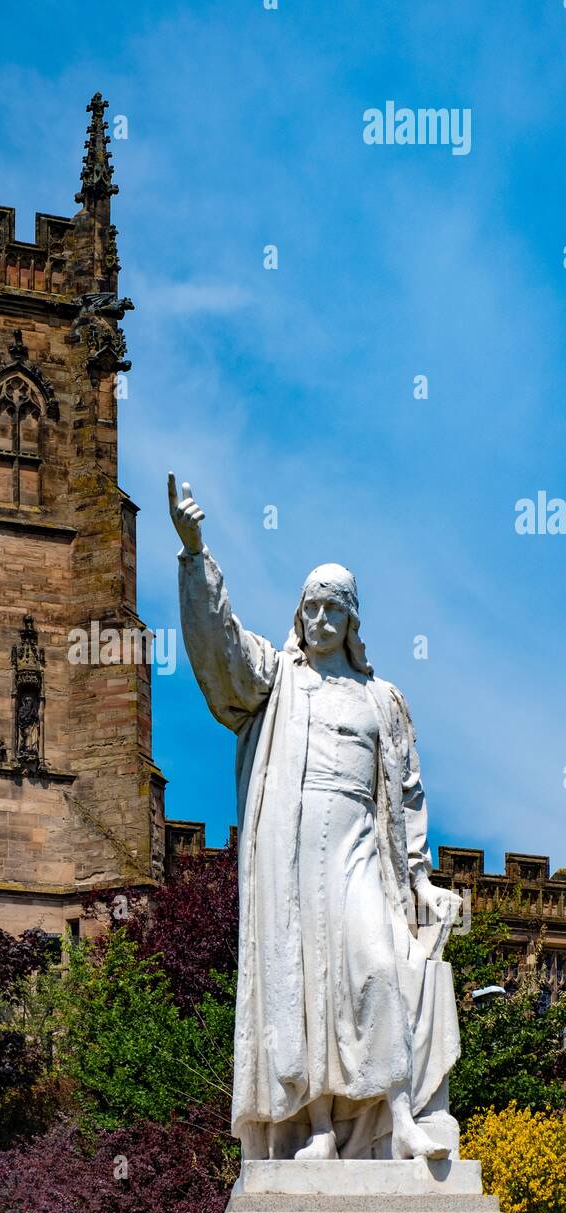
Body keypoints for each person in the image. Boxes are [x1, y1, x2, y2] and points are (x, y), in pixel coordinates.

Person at [169, 474, 464, 1161]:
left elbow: (408, 791)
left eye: (335, 611)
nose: (322, 621)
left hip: (360, 846)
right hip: (293, 847)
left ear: (352, 620)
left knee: (380, 964)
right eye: (312, 608)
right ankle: (322, 1129)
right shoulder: (278, 680)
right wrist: (195, 552)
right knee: (303, 982)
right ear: (299, 614)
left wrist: (419, 877)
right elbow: (222, 651)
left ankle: (399, 1112)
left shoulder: (382, 699)